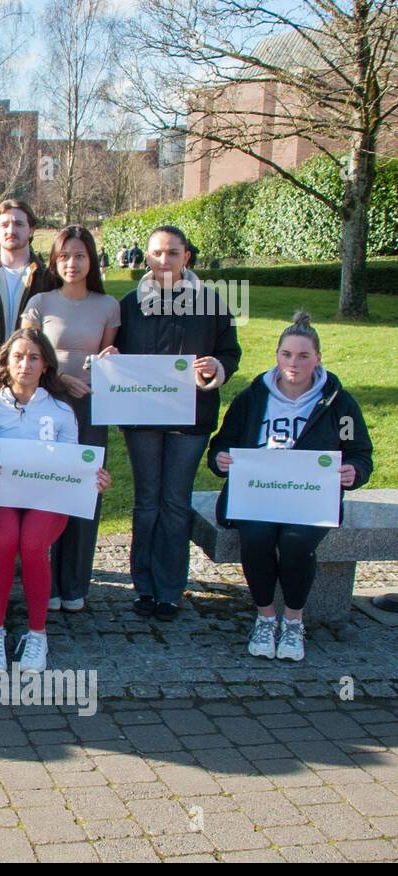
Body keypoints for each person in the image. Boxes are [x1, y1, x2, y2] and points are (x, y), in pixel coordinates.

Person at [207, 312, 371, 662]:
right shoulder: (253, 398)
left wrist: (353, 471)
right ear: (277, 355)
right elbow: (223, 442)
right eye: (286, 355)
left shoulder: (339, 403)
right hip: (259, 496)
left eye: (303, 356)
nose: (293, 363)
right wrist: (220, 458)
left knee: (296, 543)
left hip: (309, 500)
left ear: (318, 358)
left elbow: (359, 453)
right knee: (257, 538)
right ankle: (266, 617)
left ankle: (294, 621)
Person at [107, 224, 240, 621]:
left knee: (175, 503)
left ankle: (170, 589)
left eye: (173, 253)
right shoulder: (129, 304)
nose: (164, 260)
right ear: (145, 258)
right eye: (157, 253)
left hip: (191, 418)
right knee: (147, 501)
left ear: (187, 257)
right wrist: (111, 357)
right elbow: (119, 356)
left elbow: (229, 353)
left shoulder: (212, 303)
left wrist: (217, 366)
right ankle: (144, 587)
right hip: (141, 416)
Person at [0, 329, 112, 674]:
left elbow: (71, 466)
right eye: (18, 356)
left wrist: (93, 477)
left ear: (46, 363)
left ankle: (37, 633)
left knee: (34, 543)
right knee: (5, 540)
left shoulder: (62, 411)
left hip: (47, 498)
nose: (25, 364)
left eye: (33, 357)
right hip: (0, 495)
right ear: (6, 361)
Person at [19, 225, 119, 611]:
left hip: (91, 407)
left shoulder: (108, 306)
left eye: (79, 256)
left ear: (91, 260)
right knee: (48, 489)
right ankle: (47, 583)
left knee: (84, 490)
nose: (72, 263)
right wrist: (59, 378)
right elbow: (25, 353)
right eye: (64, 256)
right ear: (53, 261)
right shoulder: (40, 303)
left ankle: (75, 583)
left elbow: (112, 357)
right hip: (47, 404)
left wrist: (111, 363)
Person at [0, 198, 57, 405]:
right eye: (4, 225)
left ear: (31, 230)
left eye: (19, 224)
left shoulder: (49, 280)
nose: (11, 230)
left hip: (37, 385)